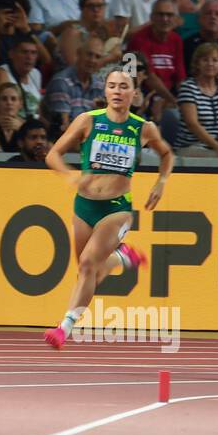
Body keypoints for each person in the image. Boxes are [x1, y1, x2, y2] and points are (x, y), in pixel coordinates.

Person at [43, 68, 175, 348]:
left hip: (117, 208)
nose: (117, 91)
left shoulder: (143, 128)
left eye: (123, 87)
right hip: (84, 204)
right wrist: (69, 175)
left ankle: (64, 327)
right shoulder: (87, 121)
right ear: (104, 92)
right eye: (112, 86)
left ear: (134, 94)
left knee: (89, 264)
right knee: (88, 270)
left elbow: (166, 154)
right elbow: (52, 154)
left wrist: (160, 182)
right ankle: (123, 257)